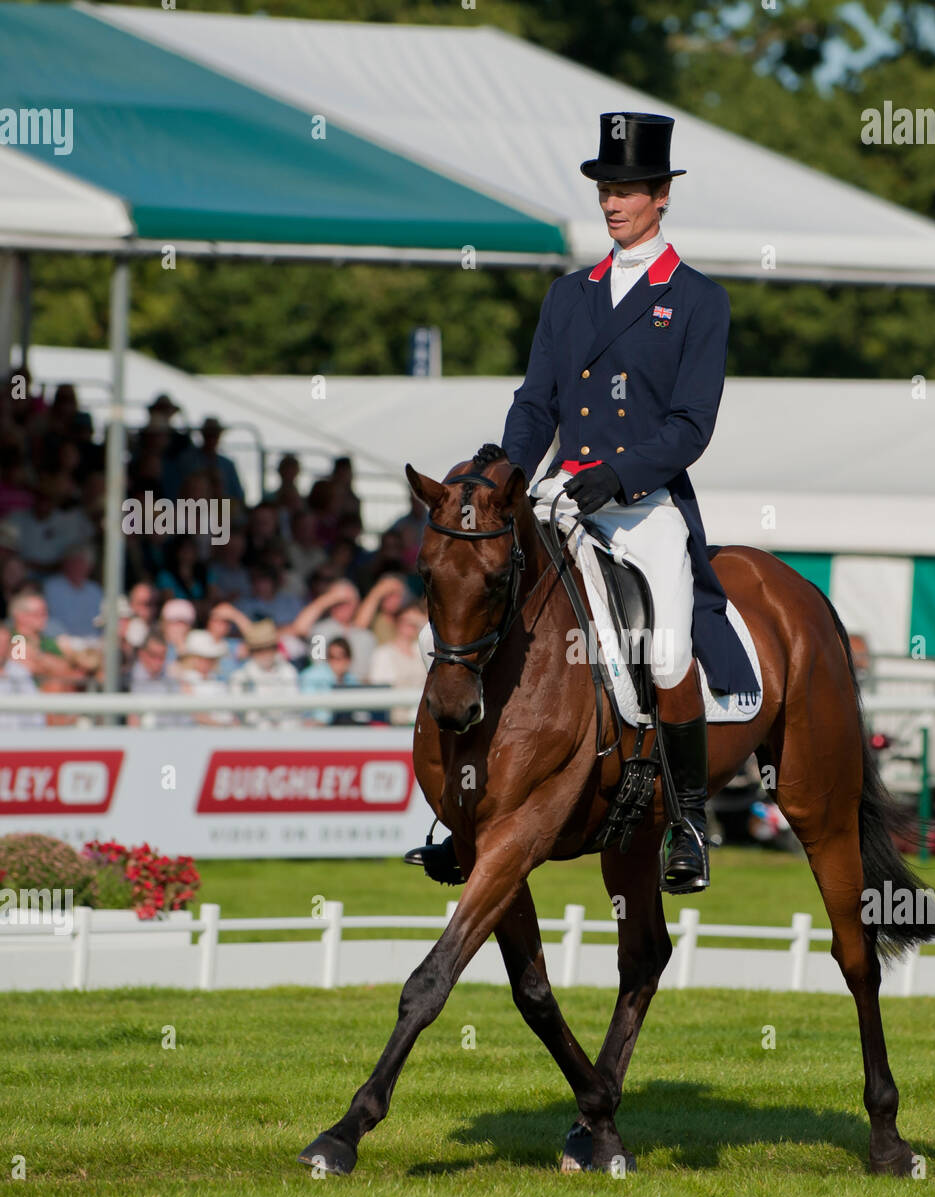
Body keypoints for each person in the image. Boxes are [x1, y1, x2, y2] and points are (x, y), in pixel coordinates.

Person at [414, 111, 758, 893]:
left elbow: (691, 424)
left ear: (662, 196)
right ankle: (460, 807)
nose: (613, 204)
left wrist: (621, 475)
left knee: (666, 651)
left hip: (643, 507)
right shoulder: (570, 296)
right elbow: (537, 403)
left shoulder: (698, 300)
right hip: (561, 496)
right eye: (606, 189)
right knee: (497, 612)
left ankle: (689, 824)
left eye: (629, 190)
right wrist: (505, 468)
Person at [228, 618, 299, 726]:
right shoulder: (240, 677)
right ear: (251, 651)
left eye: (268, 647)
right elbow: (241, 714)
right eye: (258, 649)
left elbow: (293, 708)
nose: (264, 653)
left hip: (286, 734)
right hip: (252, 735)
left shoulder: (289, 671)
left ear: (275, 648)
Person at [369, 601, 428, 725]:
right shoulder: (383, 653)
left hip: (423, 718)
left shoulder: (422, 651)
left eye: (415, 624)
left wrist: (422, 622)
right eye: (407, 622)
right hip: (396, 721)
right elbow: (381, 690)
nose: (411, 626)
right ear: (397, 623)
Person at [43, 547, 102, 639]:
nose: (77, 567)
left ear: (89, 567)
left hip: (94, 642)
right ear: (65, 565)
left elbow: (102, 619)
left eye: (81, 563)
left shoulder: (95, 590)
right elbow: (46, 618)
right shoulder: (51, 587)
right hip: (61, 641)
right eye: (73, 563)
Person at [299, 635, 358, 725]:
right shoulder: (313, 676)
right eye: (331, 657)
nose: (334, 661)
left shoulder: (352, 680)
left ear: (348, 659)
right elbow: (306, 711)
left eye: (339, 657)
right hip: (315, 730)